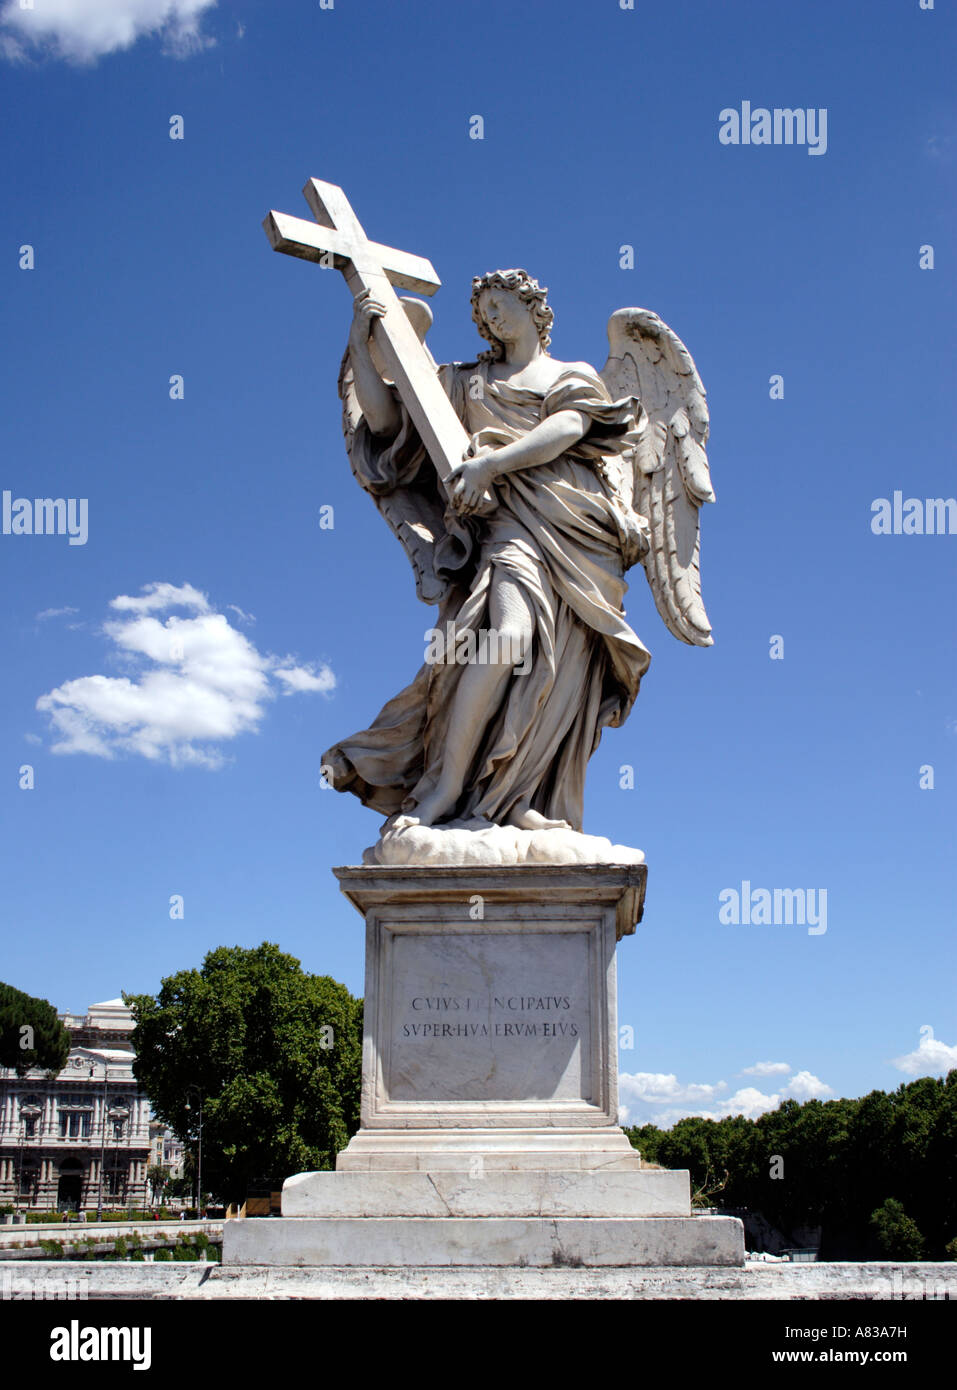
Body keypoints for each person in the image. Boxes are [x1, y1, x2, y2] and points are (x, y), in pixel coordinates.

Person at [325, 270, 652, 834]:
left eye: (502, 305)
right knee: (510, 637)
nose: (493, 318)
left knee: (560, 668)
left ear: (534, 307)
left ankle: (517, 794)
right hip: (511, 527)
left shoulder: (571, 374)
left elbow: (569, 426)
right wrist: (361, 341)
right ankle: (446, 787)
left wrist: (490, 465)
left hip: (581, 531)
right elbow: (388, 423)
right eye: (484, 312)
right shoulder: (466, 383)